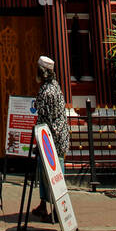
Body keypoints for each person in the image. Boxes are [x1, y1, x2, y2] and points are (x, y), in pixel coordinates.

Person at [33, 54, 70, 221]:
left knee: (55, 176)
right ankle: (43, 204)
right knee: (44, 172)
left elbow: (46, 117)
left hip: (52, 142)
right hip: (53, 139)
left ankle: (58, 210)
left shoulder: (47, 91)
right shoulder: (54, 86)